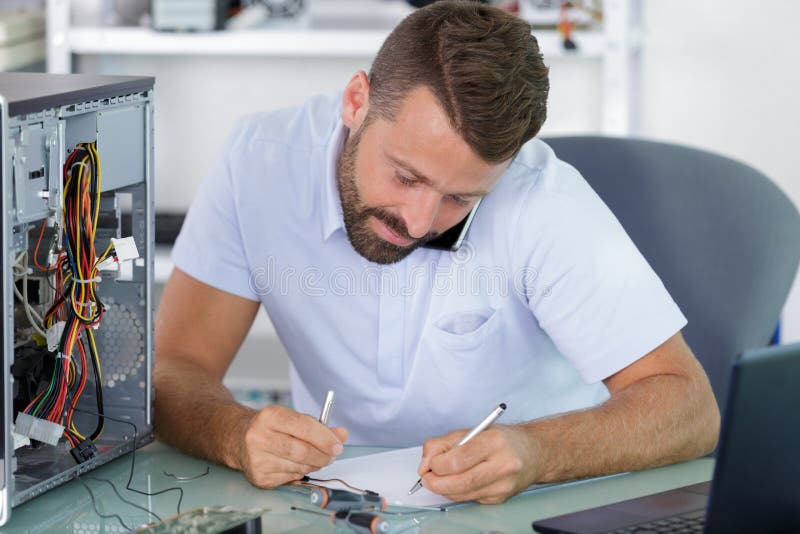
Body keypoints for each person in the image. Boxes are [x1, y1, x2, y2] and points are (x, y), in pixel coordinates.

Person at [154, 1, 720, 504]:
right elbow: (175, 368)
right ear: (357, 101)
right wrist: (233, 432)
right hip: (337, 501)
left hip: (532, 504)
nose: (419, 222)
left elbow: (690, 409)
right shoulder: (259, 162)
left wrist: (539, 453)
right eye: (405, 176)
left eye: (460, 198)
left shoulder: (546, 202)